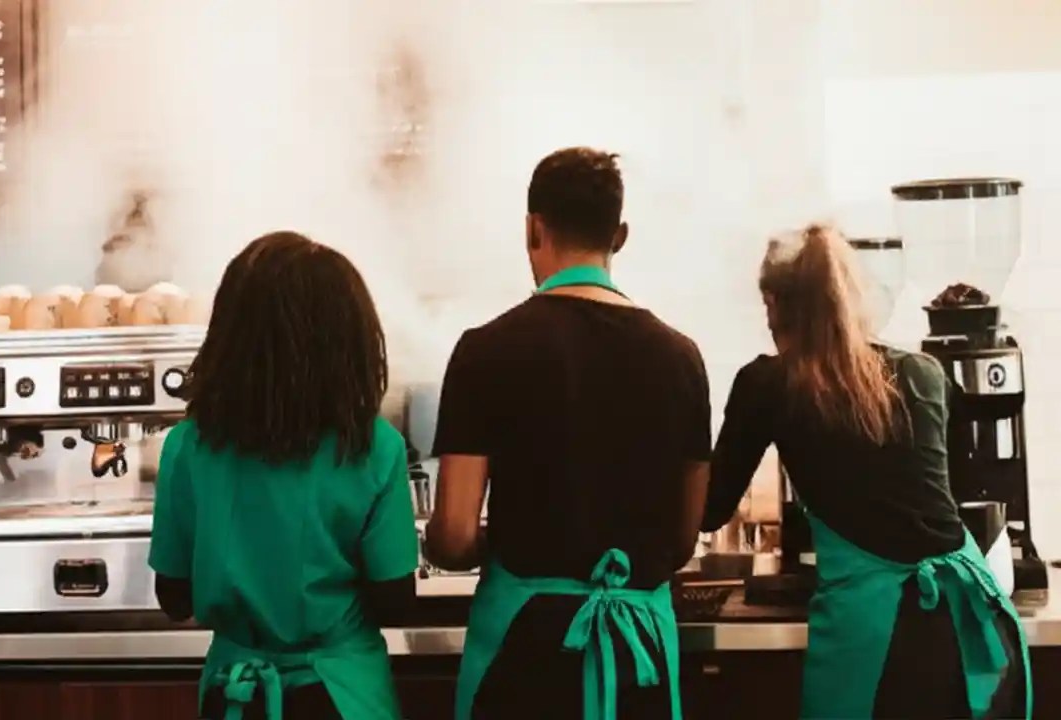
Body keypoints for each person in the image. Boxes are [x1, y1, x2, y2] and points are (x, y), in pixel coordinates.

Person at [425, 147, 711, 720]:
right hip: (640, 658)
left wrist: (507, 543)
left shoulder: (486, 349)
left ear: (534, 229)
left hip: (524, 654)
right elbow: (682, 541)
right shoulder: (682, 357)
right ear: (620, 235)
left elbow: (453, 538)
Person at [703, 224, 1031, 719]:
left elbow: (710, 510)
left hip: (884, 642)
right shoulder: (923, 372)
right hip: (976, 624)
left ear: (772, 302)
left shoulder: (768, 383)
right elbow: (951, 494)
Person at [148, 231, 419, 720]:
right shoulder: (375, 448)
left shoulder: (187, 447)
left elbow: (173, 595)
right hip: (342, 694)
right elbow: (395, 599)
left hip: (235, 696)